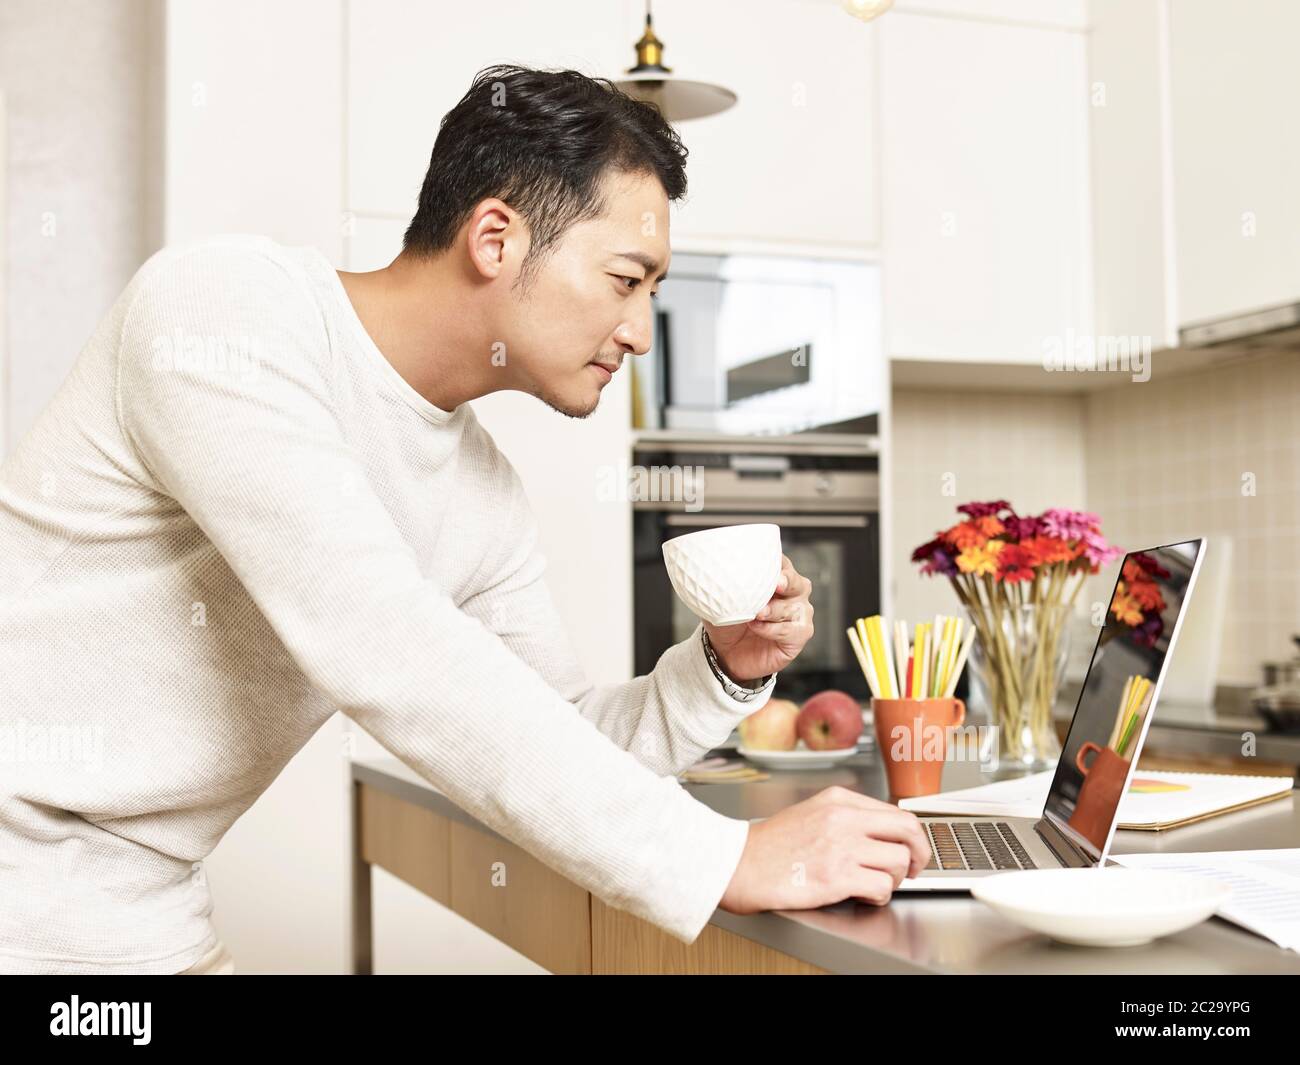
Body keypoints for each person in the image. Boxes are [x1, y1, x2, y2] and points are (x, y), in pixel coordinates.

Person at [0, 64, 929, 975]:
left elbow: (565, 740)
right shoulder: (226, 313)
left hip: (141, 919)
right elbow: (380, 636)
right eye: (625, 279)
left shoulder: (479, 493)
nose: (643, 330)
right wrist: (719, 858)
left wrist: (716, 668)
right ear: (496, 237)